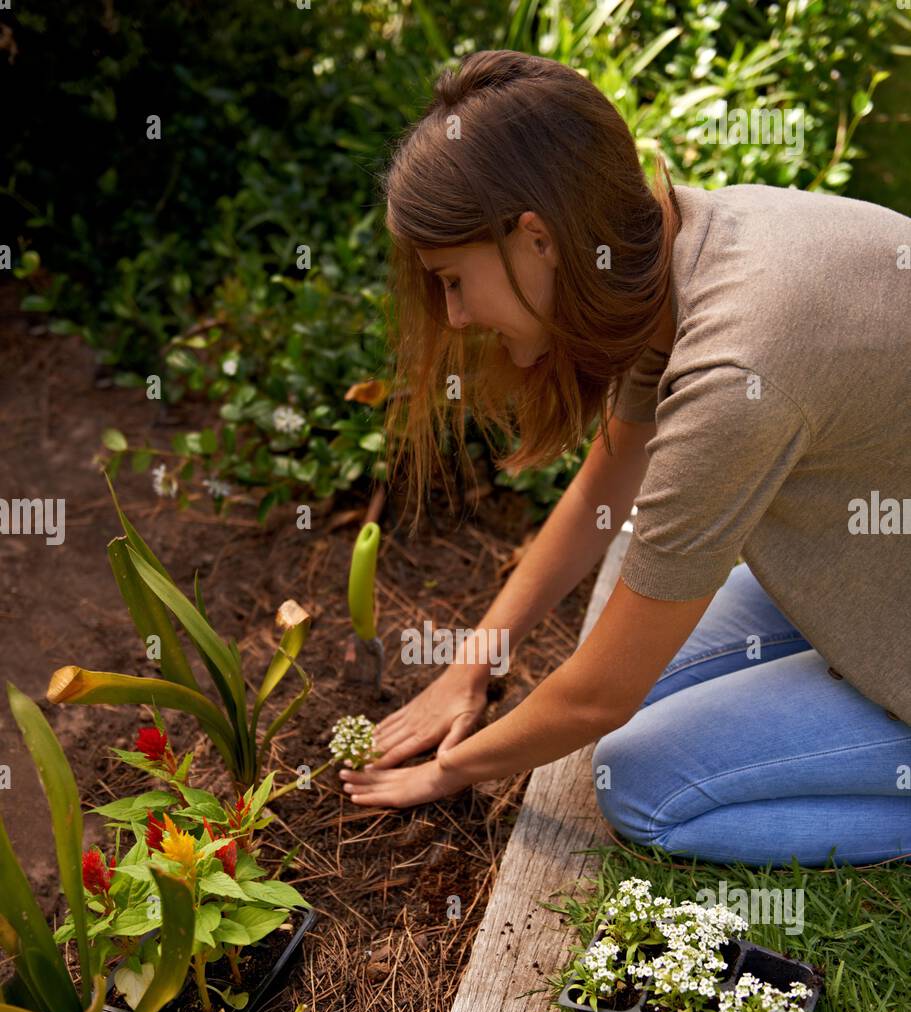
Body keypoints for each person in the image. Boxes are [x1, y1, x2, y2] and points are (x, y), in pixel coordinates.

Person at [341, 49, 911, 868]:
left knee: (636, 781)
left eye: (453, 281)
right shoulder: (685, 246)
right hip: (874, 557)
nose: (455, 316)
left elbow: (600, 697)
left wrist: (448, 769)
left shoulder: (733, 369)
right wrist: (472, 666)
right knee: (627, 686)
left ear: (533, 238)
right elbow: (605, 486)